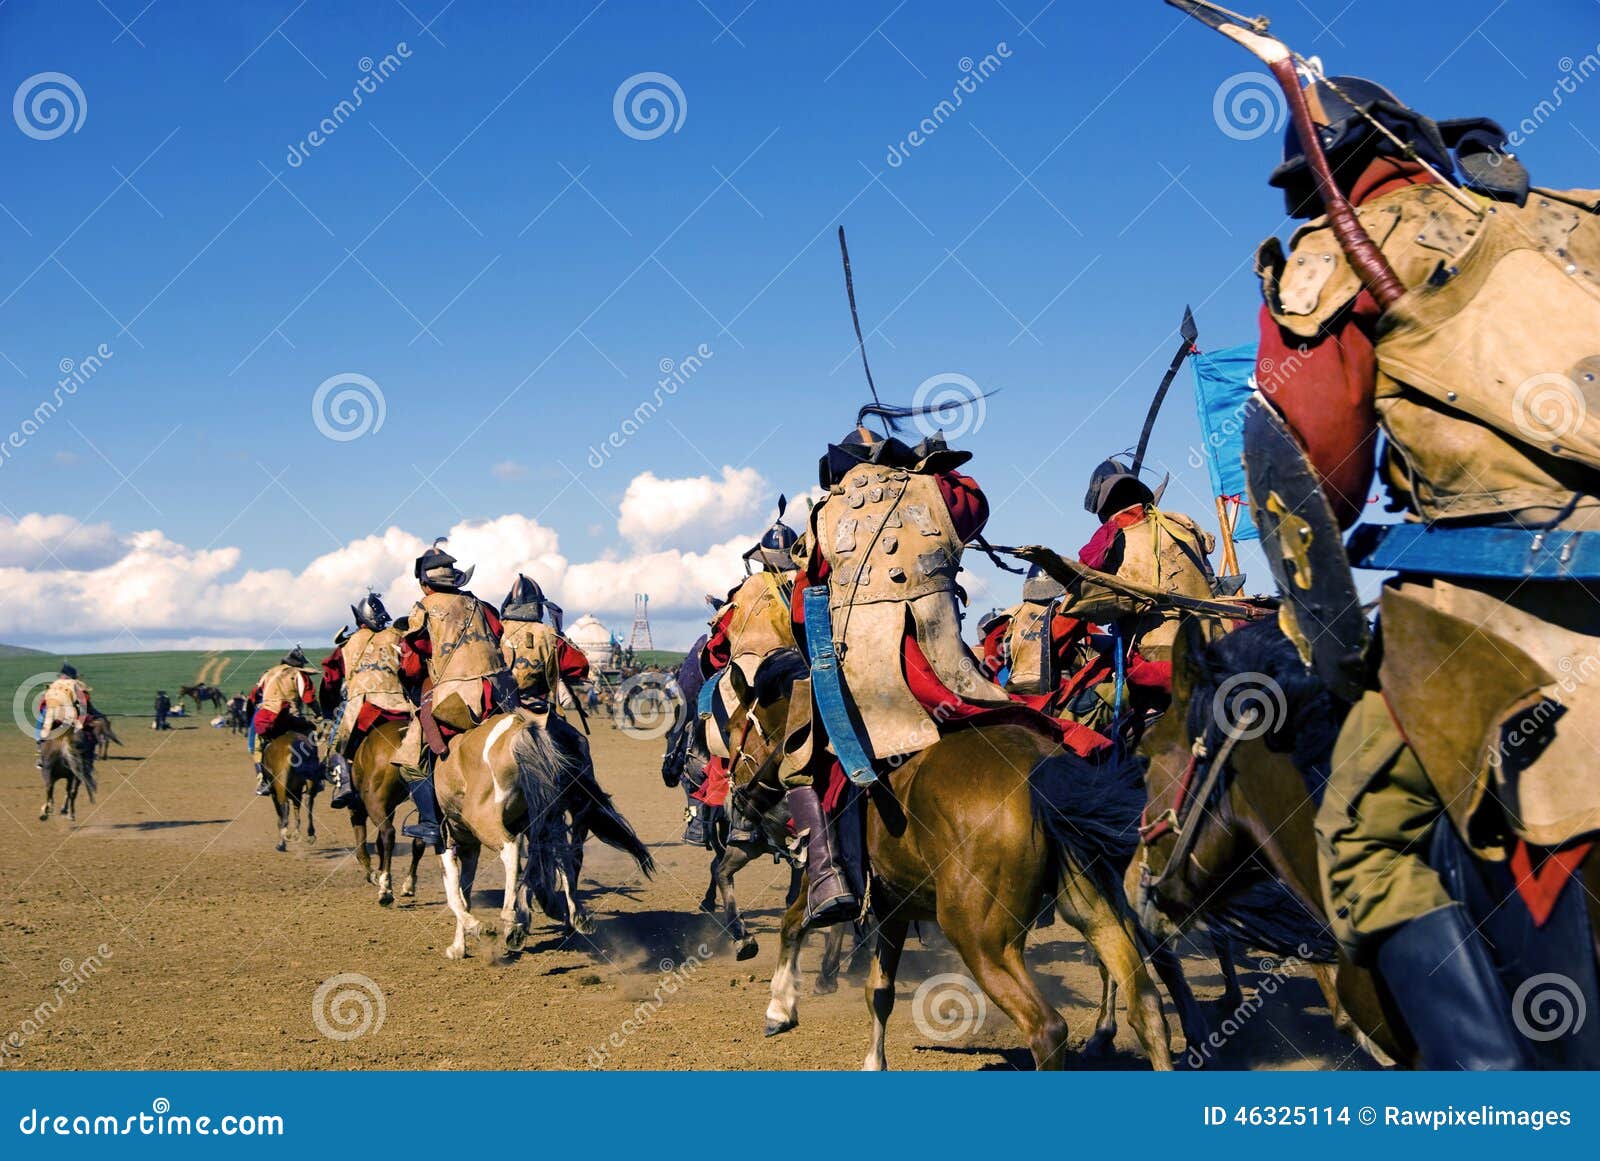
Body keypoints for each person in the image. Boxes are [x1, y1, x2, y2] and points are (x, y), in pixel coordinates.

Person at [1251, 75, 1600, 1067]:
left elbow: (1314, 477)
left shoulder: (1335, 256)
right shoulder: (1562, 223)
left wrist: (1329, 642)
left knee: (1362, 838)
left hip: (1495, 608)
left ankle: (1488, 1090)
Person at [786, 414, 1067, 924]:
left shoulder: (824, 515)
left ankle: (828, 876)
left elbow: (803, 612)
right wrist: (925, 466)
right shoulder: (938, 492)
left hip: (869, 680)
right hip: (947, 672)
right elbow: (975, 502)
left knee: (806, 757)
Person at [391, 541, 516, 845]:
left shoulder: (424, 608)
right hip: (500, 692)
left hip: (456, 697)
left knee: (414, 755)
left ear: (425, 585)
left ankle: (431, 822)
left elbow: (412, 661)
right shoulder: (482, 606)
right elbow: (500, 636)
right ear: (456, 580)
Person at [319, 592, 413, 810]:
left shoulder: (345, 645)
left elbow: (330, 682)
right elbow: (411, 670)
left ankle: (343, 785)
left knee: (335, 746)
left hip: (363, 709)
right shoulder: (397, 637)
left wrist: (328, 710)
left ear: (359, 620)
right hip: (401, 707)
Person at [498, 575, 589, 716]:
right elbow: (579, 666)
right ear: (538, 606)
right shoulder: (549, 633)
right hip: (534, 706)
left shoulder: (494, 628)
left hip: (498, 707)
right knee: (576, 739)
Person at [247, 647, 319, 795]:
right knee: (311, 736)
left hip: (268, 720)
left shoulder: (268, 674)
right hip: (291, 718)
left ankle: (262, 781)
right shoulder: (299, 674)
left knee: (258, 746)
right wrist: (318, 714)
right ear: (299, 664)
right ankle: (315, 777)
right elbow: (308, 698)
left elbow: (254, 697)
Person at [37, 664, 90, 765]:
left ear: (64, 676)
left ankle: (40, 751)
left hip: (53, 712)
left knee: (41, 722)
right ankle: (86, 754)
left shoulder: (54, 685)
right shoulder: (76, 685)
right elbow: (84, 700)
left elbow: (45, 701)